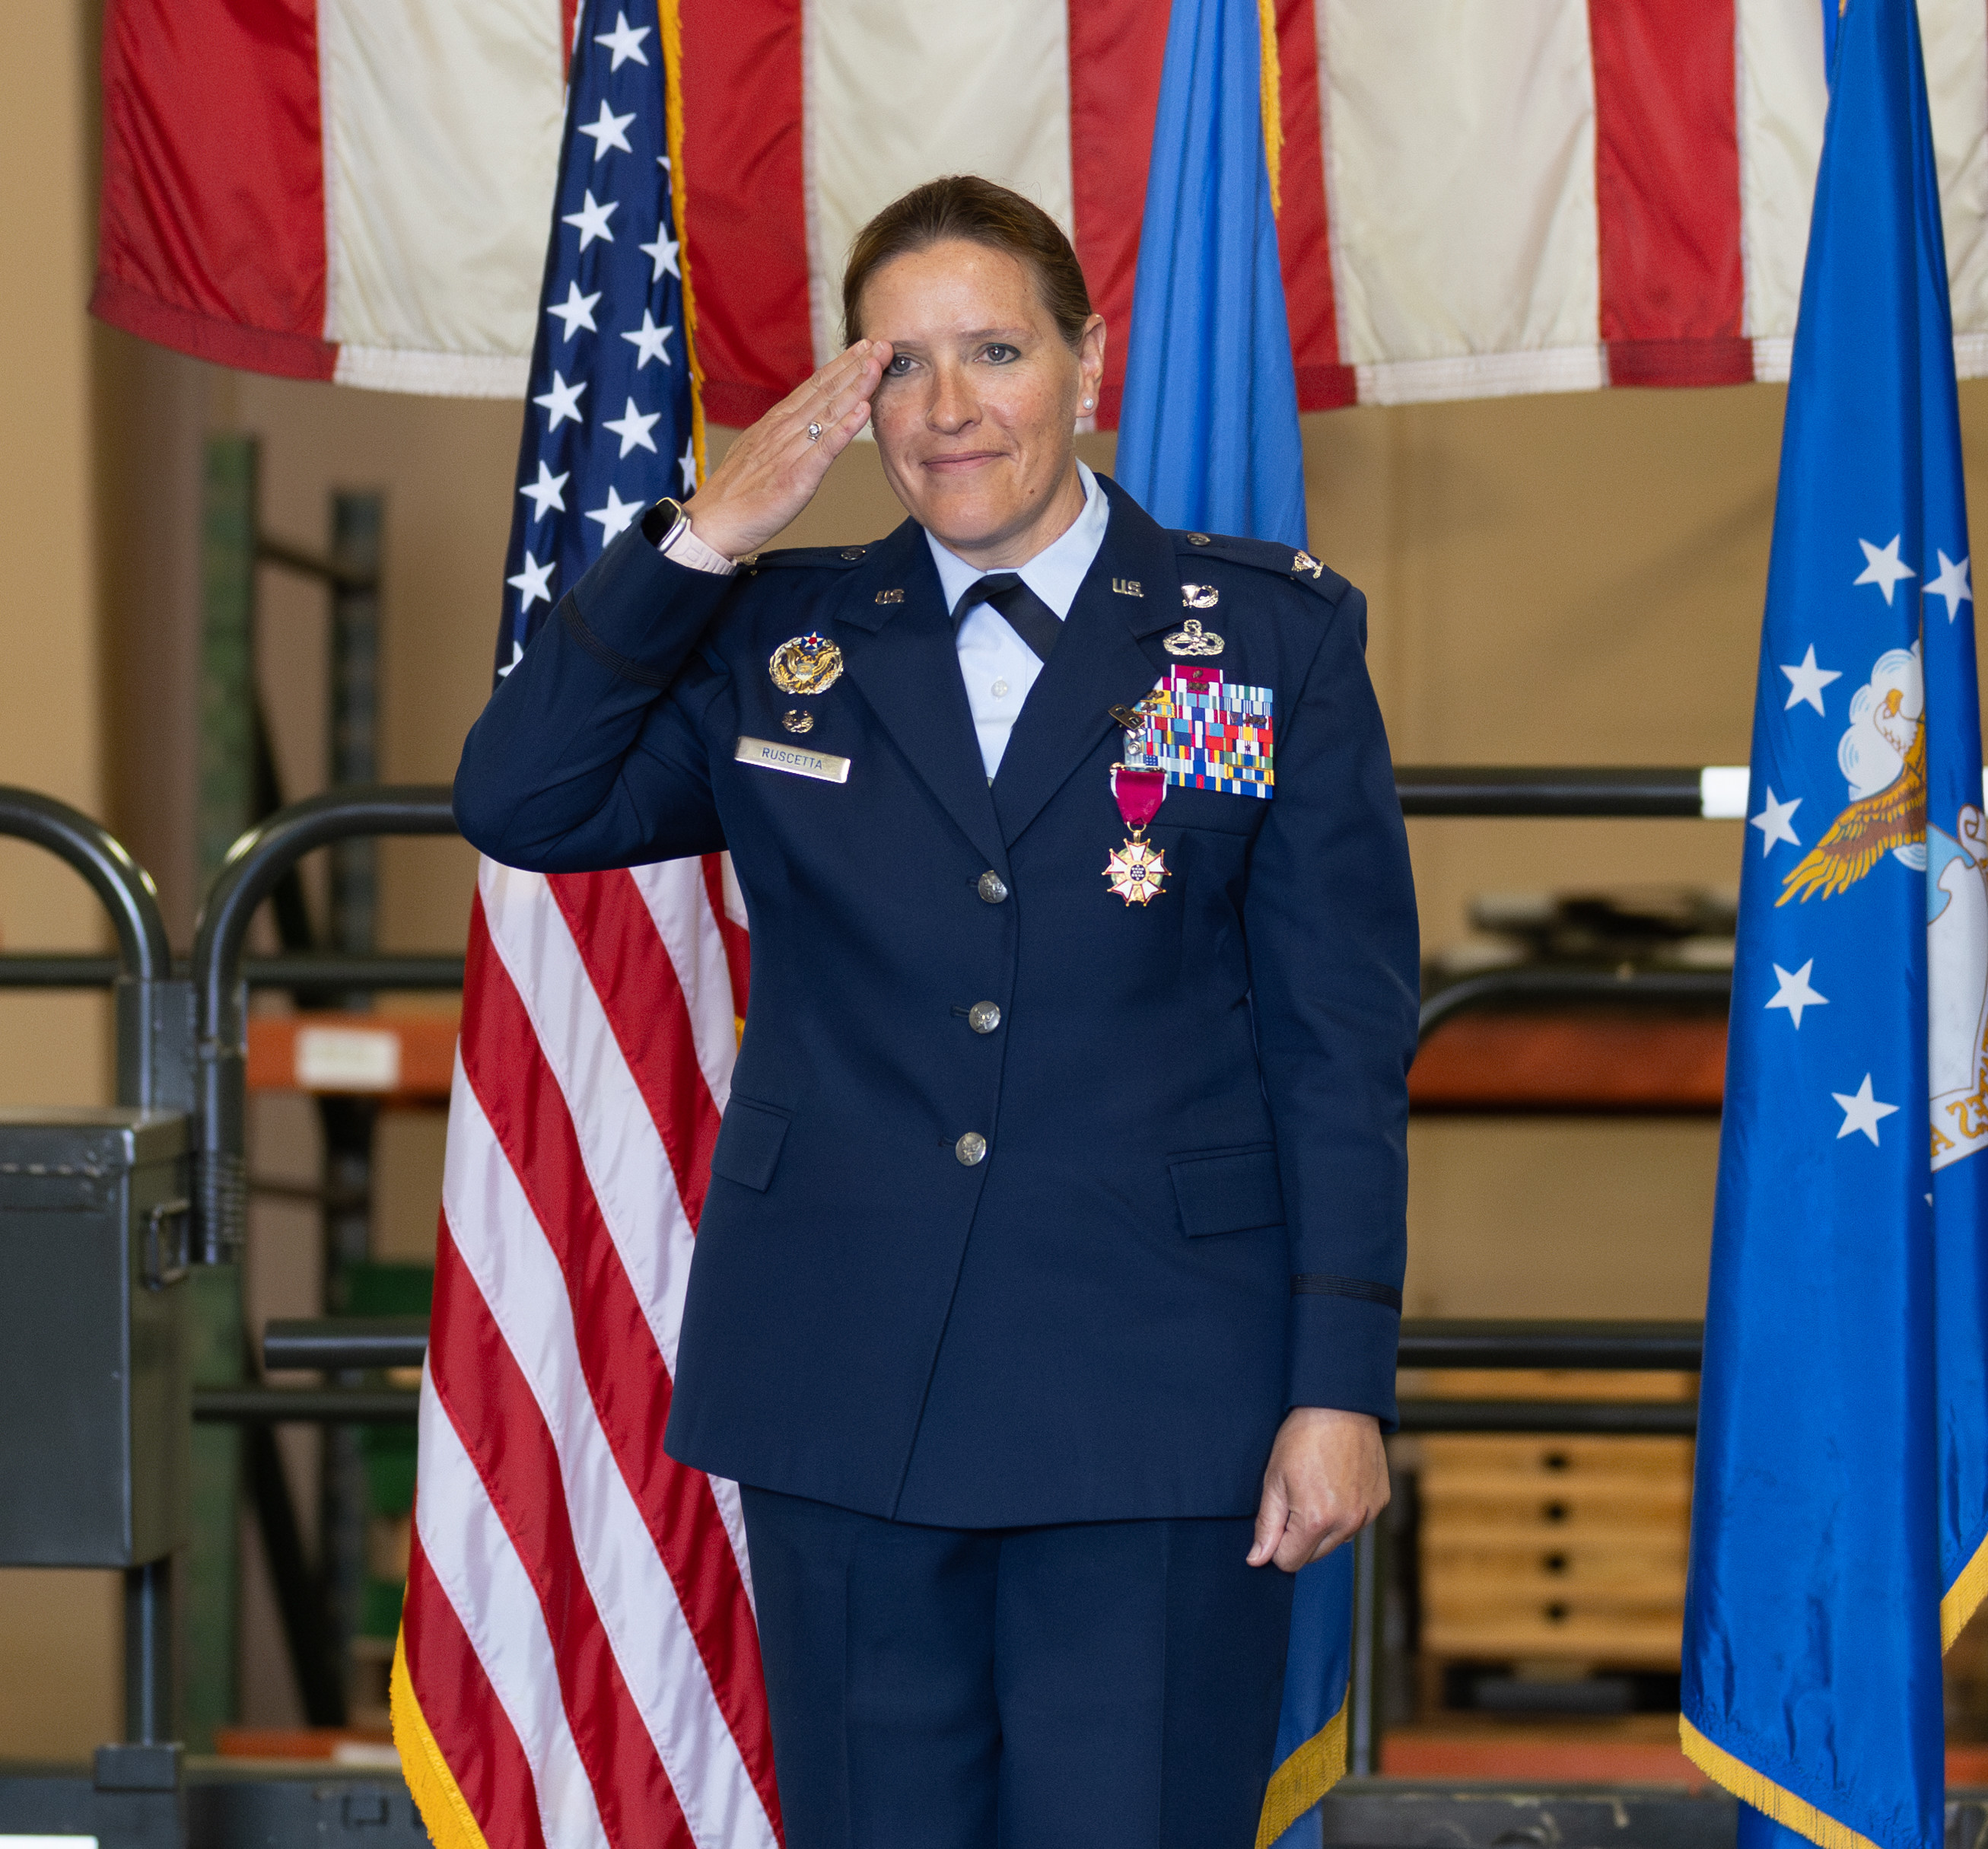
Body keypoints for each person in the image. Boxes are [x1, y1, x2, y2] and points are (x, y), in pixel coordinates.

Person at [455, 174, 1419, 1849]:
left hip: (1156, 1391)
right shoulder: (786, 637)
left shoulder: (1265, 639)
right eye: (898, 365)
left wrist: (1338, 1384)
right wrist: (705, 537)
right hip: (844, 1377)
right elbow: (523, 799)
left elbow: (1337, 1037)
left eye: (993, 351)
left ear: (1086, 362)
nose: (950, 407)